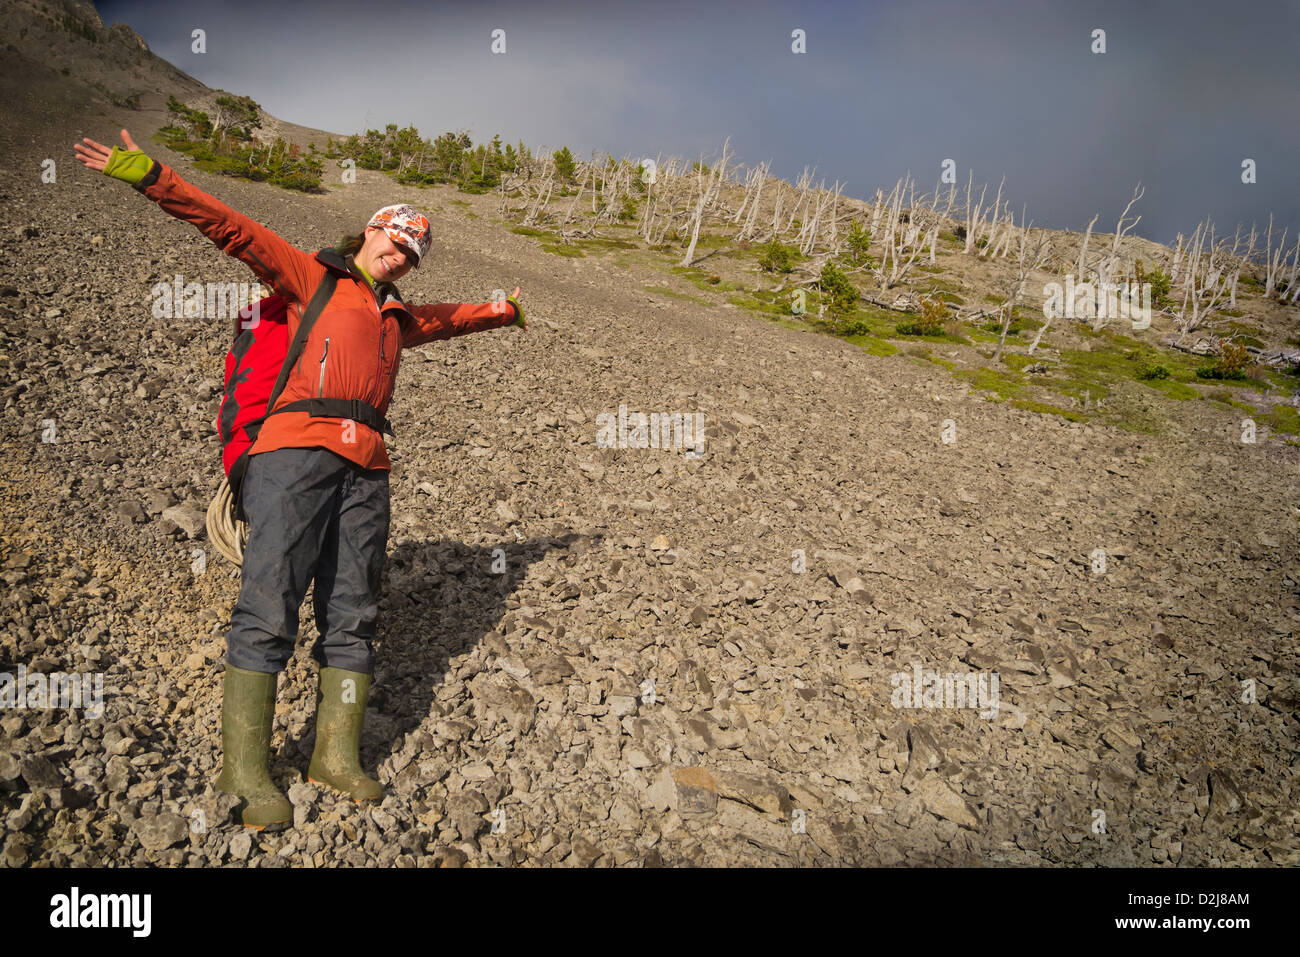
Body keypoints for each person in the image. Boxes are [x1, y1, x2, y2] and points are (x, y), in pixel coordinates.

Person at [74, 129, 527, 829]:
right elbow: (230, 226)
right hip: (294, 453)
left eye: (411, 251)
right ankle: (245, 767)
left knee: (354, 611)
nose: (398, 252)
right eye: (393, 237)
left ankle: (334, 756)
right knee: (271, 599)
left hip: (367, 470)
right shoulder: (312, 276)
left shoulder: (396, 316)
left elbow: (449, 319)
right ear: (369, 231)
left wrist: (503, 311)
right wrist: (152, 175)